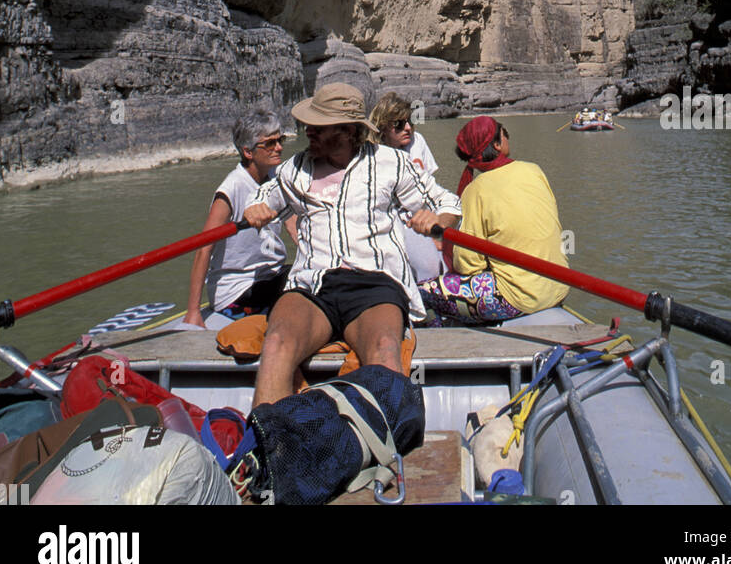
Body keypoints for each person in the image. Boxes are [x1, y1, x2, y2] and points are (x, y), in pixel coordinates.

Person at [243, 82, 460, 405]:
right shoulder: (295, 170)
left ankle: (385, 448)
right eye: (307, 126)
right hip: (312, 284)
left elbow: (448, 204)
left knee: (386, 348)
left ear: (347, 131)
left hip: (374, 282)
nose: (307, 133)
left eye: (317, 128)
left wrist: (438, 223)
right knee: (275, 343)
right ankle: (268, 443)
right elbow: (262, 196)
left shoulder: (391, 164)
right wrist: (255, 207)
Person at [419, 115, 569, 327]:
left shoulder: (475, 190)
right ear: (497, 145)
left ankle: (440, 340)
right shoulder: (535, 170)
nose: (508, 136)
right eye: (504, 133)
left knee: (418, 293)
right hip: (559, 286)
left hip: (520, 297)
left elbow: (468, 264)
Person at [183, 107, 297, 328]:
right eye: (270, 143)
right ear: (248, 152)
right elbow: (204, 248)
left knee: (315, 273)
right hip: (236, 290)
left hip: (268, 277)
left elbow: (294, 228)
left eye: (280, 139)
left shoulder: (275, 178)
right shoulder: (231, 188)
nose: (279, 147)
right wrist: (193, 312)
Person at [368, 92, 445, 282]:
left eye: (410, 121)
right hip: (396, 222)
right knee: (428, 268)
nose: (408, 128)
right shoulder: (373, 154)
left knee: (443, 264)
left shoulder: (418, 142)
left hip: (424, 218)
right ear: (383, 126)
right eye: (399, 124)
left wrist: (437, 228)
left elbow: (431, 189)